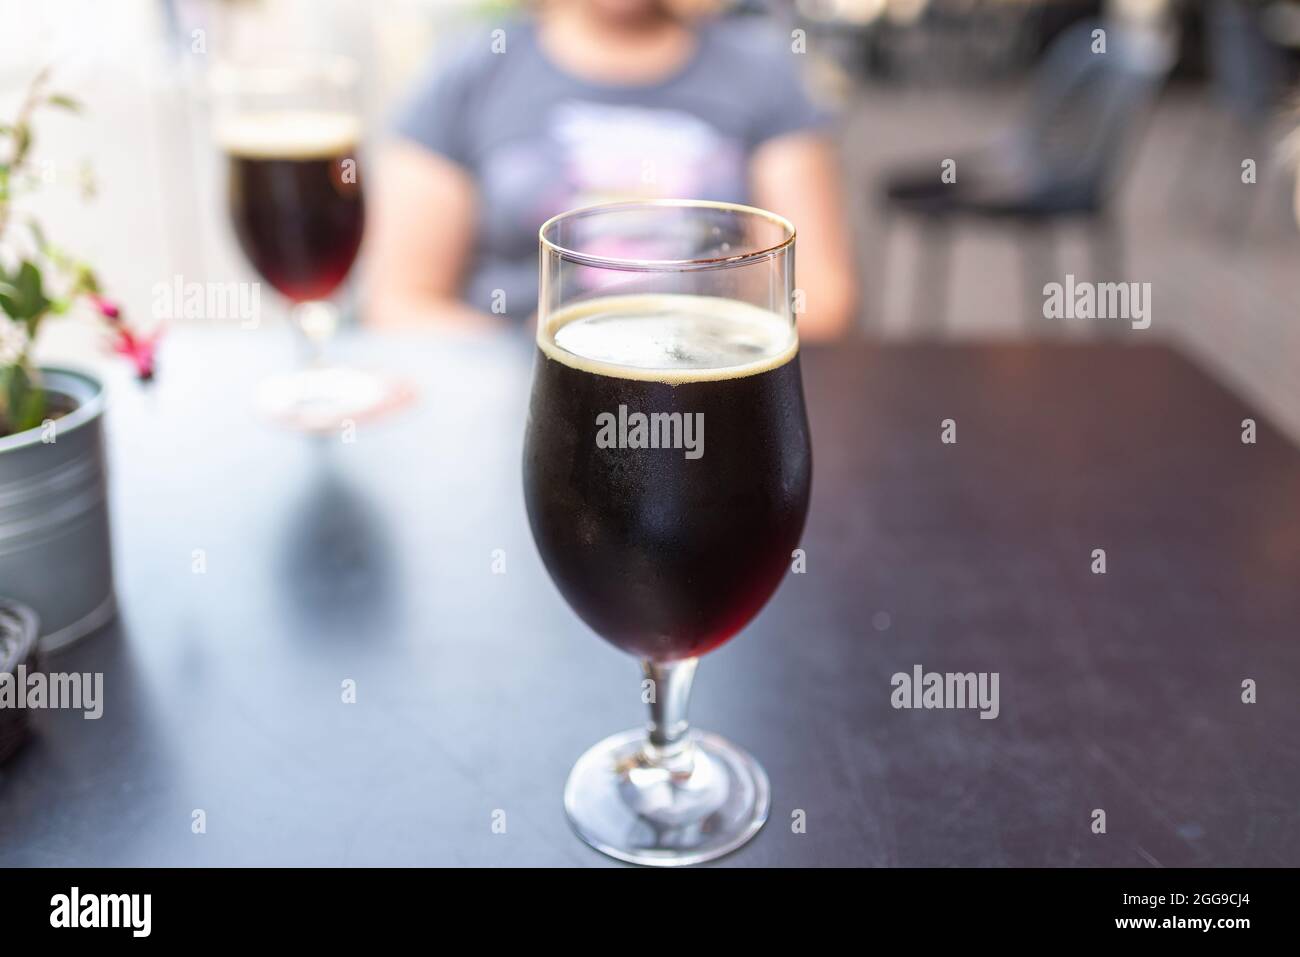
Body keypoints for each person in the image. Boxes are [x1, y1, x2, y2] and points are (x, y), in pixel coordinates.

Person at [364, 0, 857, 339]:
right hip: (521, 389)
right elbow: (400, 300)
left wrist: (696, 325)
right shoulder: (475, 65)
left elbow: (820, 298)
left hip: (704, 375)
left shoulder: (761, 67)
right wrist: (533, 351)